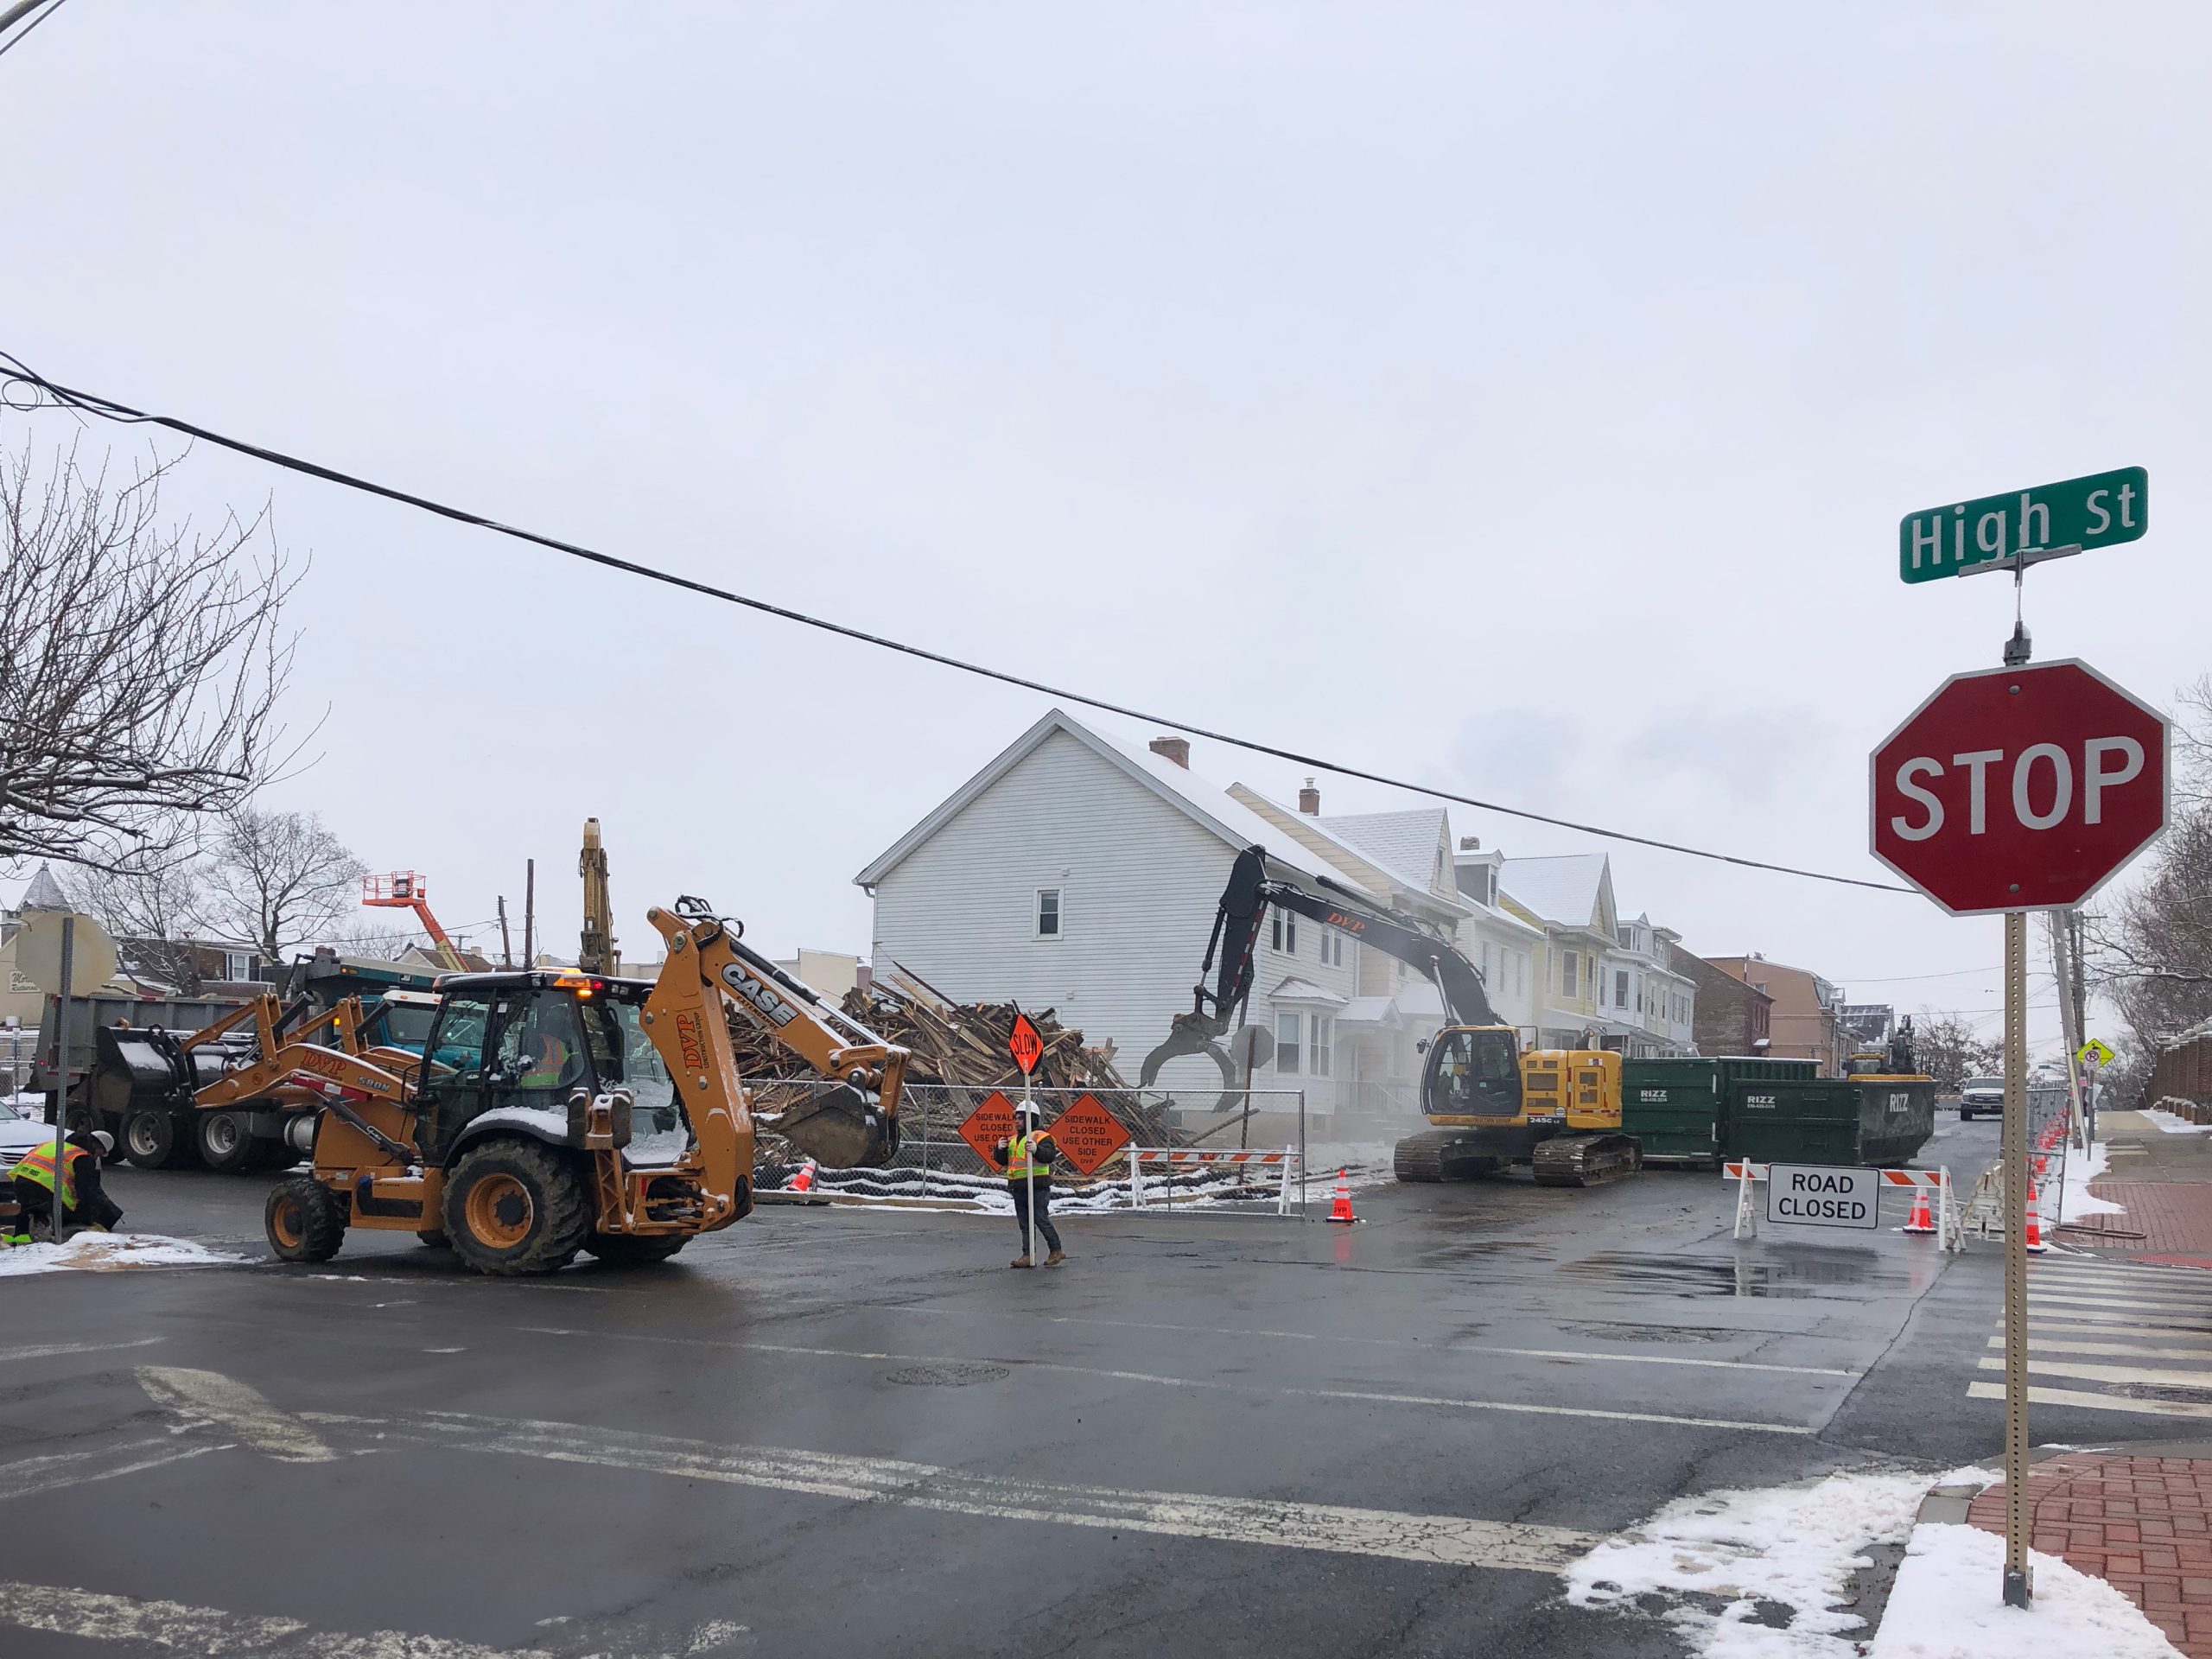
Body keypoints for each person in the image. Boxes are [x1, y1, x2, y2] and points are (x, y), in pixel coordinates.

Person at [8, 1128, 124, 1239]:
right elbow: (85, 1191)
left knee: (24, 1212)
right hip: (45, 1189)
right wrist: (90, 1219)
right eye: (100, 1154)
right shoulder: (82, 1157)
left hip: (21, 1183)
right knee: (69, 1211)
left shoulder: (52, 1144)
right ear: (97, 1146)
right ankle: (50, 1236)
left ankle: (21, 1240)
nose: (97, 1157)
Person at [992, 1104, 1065, 1269]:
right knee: (1024, 1223)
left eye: (1020, 1118)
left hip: (1038, 1185)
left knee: (1040, 1218)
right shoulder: (1012, 1140)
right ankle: (1027, 1255)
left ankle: (1056, 1250)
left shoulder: (1041, 1137)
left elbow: (1049, 1156)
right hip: (1018, 1186)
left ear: (1031, 1119)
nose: (1016, 1122)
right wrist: (999, 1149)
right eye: (1016, 1118)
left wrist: (1037, 1150)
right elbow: (1003, 1161)